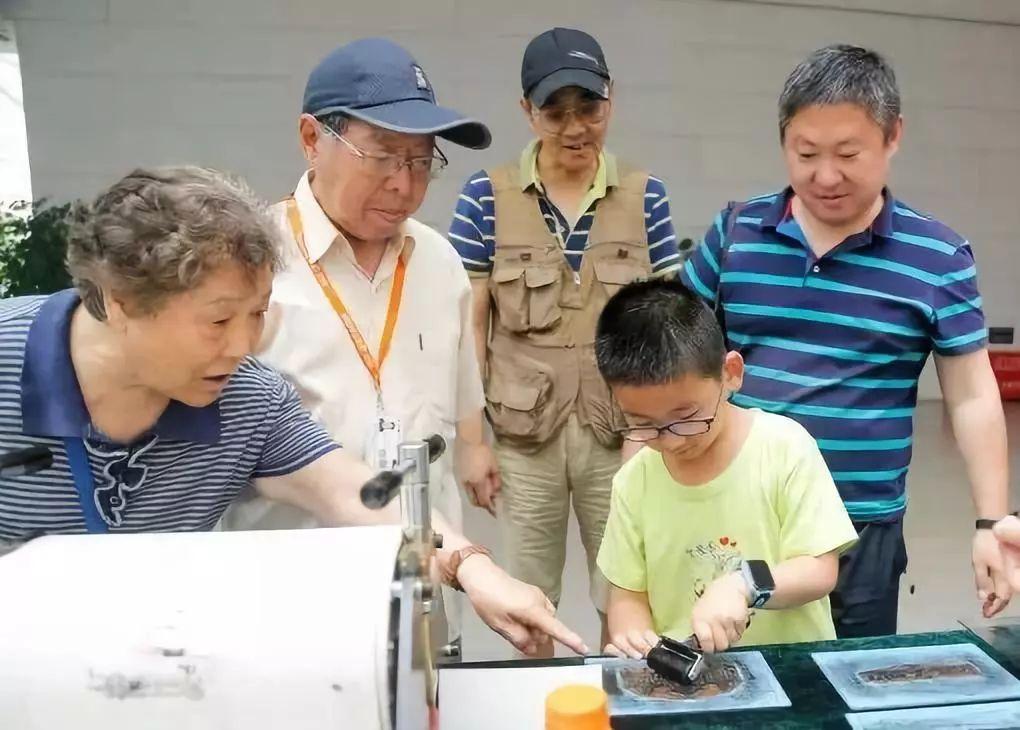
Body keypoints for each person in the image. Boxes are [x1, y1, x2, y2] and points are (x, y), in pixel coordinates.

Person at [0, 166, 586, 658]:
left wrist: (472, 568)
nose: (244, 345)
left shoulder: (246, 396)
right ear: (120, 302)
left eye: (257, 315)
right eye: (219, 320)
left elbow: (351, 491)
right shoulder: (8, 357)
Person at [680, 44, 1011, 638]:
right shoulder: (736, 234)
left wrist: (992, 521)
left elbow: (971, 396)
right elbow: (673, 353)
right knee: (738, 685)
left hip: (862, 529)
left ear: (892, 137)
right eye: (805, 154)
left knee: (853, 688)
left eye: (848, 154)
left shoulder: (937, 258)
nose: (825, 176)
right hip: (744, 519)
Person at [218, 38, 500, 647]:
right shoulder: (248, 265)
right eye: (383, 157)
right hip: (290, 602)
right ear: (312, 139)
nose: (404, 185)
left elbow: (459, 396)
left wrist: (475, 449)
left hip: (424, 590)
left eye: (422, 161)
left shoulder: (441, 263)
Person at [447, 27, 683, 654]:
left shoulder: (645, 194)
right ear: (528, 111)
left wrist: (652, 433)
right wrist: (471, 443)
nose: (576, 127)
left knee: (628, 590)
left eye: (590, 108)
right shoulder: (484, 197)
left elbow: (664, 325)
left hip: (622, 436)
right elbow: (468, 324)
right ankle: (534, 707)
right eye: (556, 112)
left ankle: (616, 705)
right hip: (525, 440)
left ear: (613, 100)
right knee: (526, 595)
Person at [594, 280, 858, 656]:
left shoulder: (783, 447)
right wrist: (633, 639)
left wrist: (744, 584)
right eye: (643, 423)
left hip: (793, 669)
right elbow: (627, 596)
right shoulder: (635, 481)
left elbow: (819, 568)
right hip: (689, 683)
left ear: (730, 373)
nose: (670, 440)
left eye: (686, 417)